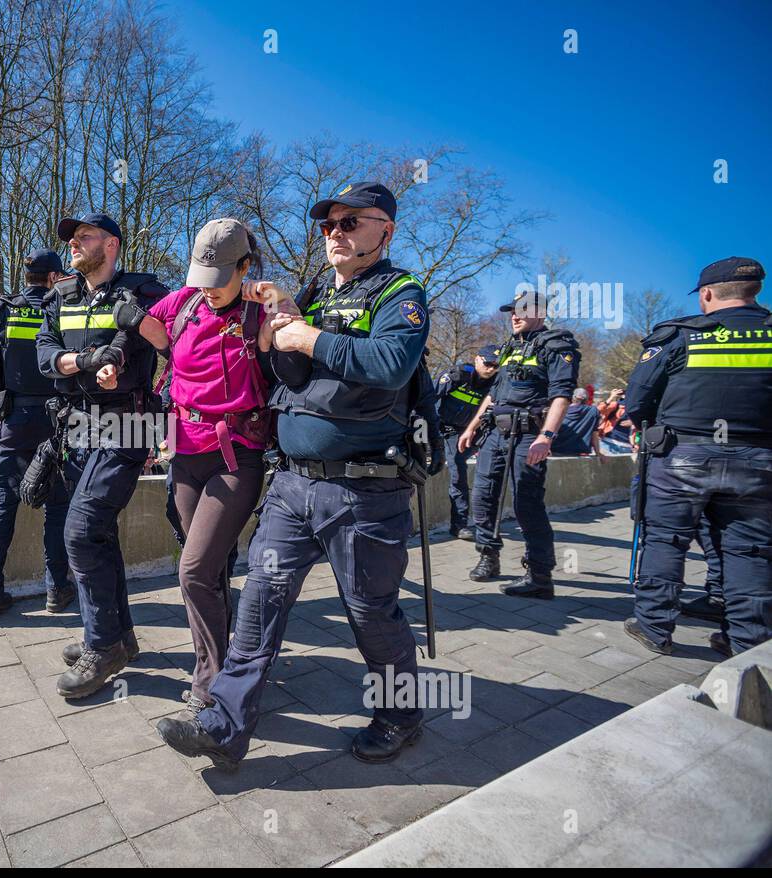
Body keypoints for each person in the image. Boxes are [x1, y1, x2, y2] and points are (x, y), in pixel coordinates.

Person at [153, 183, 432, 770]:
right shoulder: (310, 294)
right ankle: (224, 727)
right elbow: (288, 374)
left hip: (363, 489)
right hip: (292, 484)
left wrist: (308, 336)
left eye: (351, 222)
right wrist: (288, 325)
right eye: (328, 225)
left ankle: (402, 713)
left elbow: (389, 365)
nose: (336, 233)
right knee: (257, 603)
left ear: (386, 230)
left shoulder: (401, 291)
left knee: (370, 612)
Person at [119, 218, 274, 716]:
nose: (206, 291)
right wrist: (124, 331)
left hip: (237, 455)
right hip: (185, 450)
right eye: (200, 277)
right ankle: (226, 657)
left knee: (193, 569)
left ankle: (211, 679)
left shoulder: (260, 309)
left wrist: (280, 305)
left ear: (245, 267)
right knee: (207, 568)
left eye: (218, 279)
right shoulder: (185, 300)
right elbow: (150, 330)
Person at [34, 212, 169, 698]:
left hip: (127, 423)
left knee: (81, 529)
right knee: (98, 533)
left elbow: (165, 341)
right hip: (79, 426)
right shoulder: (63, 295)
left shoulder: (141, 291)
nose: (73, 243)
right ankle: (118, 637)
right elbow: (45, 355)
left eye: (83, 236)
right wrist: (85, 362)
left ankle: (103, 644)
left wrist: (120, 354)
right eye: (69, 237)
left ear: (111, 245)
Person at [623, 256, 771, 658]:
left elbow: (636, 401)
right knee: (750, 550)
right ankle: (747, 642)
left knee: (666, 540)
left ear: (706, 294)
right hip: (759, 460)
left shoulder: (678, 335)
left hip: (682, 456)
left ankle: (654, 627)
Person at [457, 290, 580, 598]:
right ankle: (488, 556)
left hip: (529, 436)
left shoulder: (557, 346)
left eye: (522, 310)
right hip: (495, 434)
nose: (514, 315)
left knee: (527, 504)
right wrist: (471, 426)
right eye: (511, 310)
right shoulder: (510, 347)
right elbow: (494, 394)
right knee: (483, 497)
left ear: (539, 313)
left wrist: (546, 437)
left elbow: (562, 396)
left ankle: (539, 575)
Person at [0, 249, 73, 623]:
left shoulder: (2, 310)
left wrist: (11, 396)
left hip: (14, 420)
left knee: (3, 505)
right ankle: (56, 588)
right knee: (57, 508)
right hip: (55, 420)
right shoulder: (61, 309)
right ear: (52, 278)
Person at [434, 344, 501, 539]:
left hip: (473, 430)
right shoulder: (458, 375)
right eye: (488, 363)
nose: (491, 369)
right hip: (447, 429)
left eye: (496, 366)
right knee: (457, 470)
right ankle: (459, 525)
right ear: (477, 359)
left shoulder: (495, 382)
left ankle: (487, 518)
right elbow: (429, 398)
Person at [550, 387, 605, 458]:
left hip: (556, 451)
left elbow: (550, 431)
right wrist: (598, 453)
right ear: (586, 399)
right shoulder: (593, 411)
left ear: (572, 397)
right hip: (580, 453)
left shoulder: (559, 410)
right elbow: (594, 434)